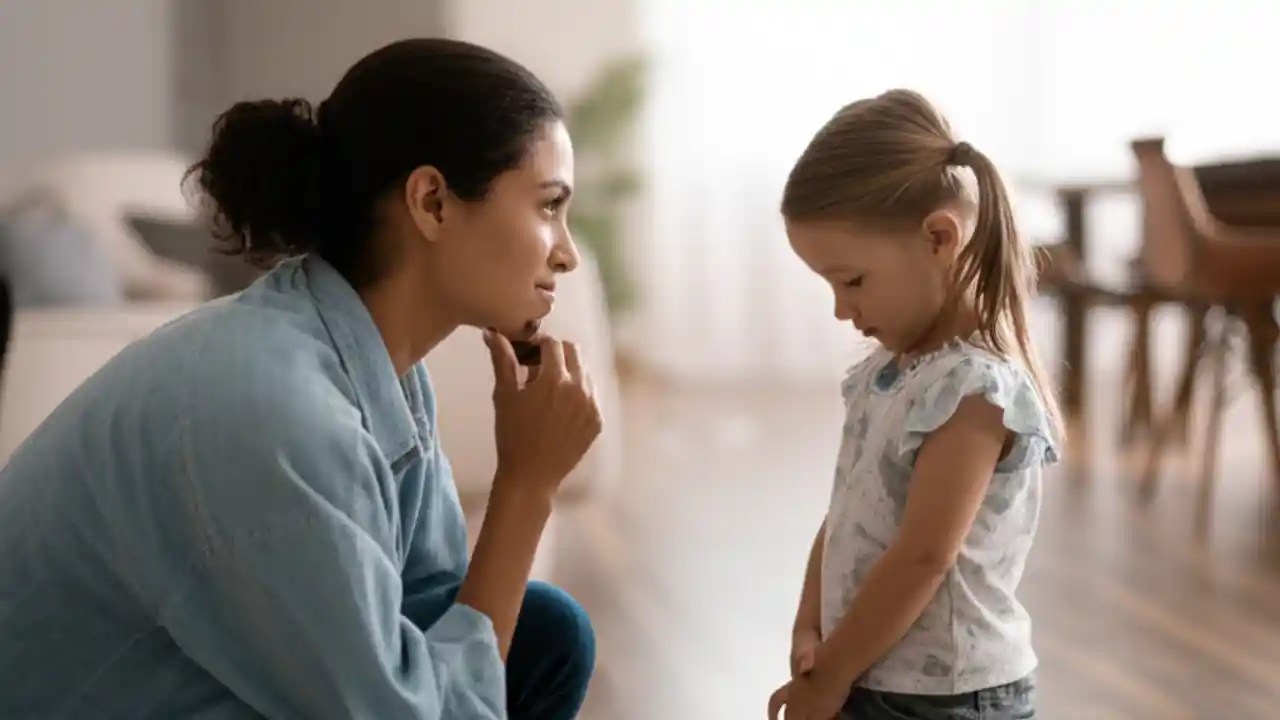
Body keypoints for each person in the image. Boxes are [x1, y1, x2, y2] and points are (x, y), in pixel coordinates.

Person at [0, 38, 601, 719]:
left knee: (544, 633)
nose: (568, 253)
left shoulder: (374, 365)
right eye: (548, 206)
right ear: (432, 202)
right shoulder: (274, 409)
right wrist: (526, 486)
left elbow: (432, 608)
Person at [767, 90, 1062, 720]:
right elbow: (845, 511)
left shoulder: (975, 393)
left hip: (947, 696)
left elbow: (926, 554)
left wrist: (834, 673)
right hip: (872, 671)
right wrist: (810, 632)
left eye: (852, 281)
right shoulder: (886, 375)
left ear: (937, 238)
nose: (842, 310)